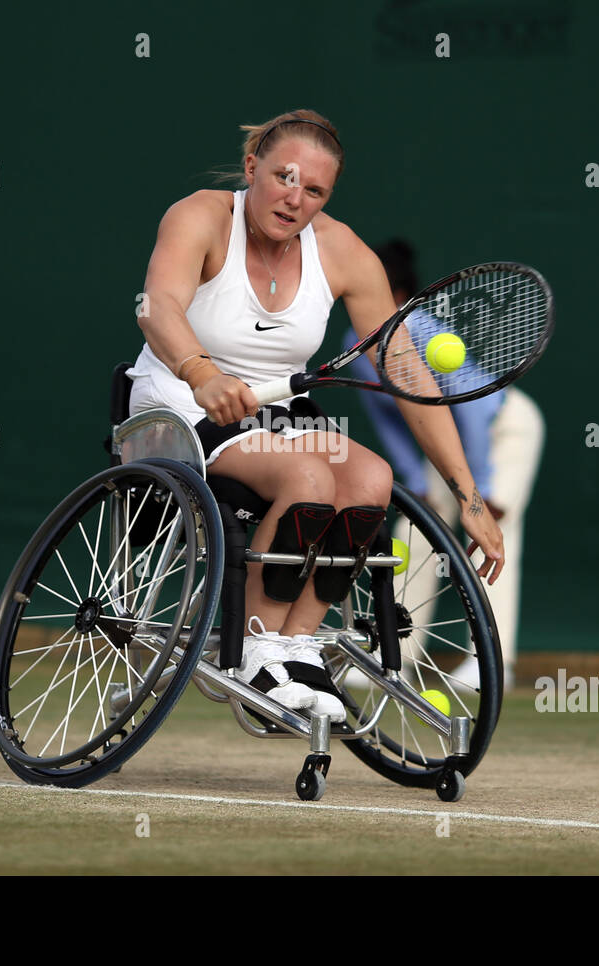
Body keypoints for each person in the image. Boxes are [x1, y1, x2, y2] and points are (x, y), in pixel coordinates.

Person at [127, 109, 503, 720]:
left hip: (276, 413)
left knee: (372, 481)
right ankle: (256, 643)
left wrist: (470, 497)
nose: (294, 197)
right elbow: (156, 306)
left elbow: (407, 374)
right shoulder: (199, 215)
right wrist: (203, 373)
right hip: (176, 402)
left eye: (314, 189)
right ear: (253, 168)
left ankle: (294, 644)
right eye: (283, 177)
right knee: (308, 479)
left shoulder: (341, 250)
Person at [346, 239, 544, 690]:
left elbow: (471, 410)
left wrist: (482, 490)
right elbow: (389, 414)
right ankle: (391, 653)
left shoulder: (422, 330)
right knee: (412, 534)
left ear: (395, 295)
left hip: (501, 431)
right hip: (447, 445)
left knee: (492, 537)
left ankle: (491, 664)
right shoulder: (354, 342)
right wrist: (414, 479)